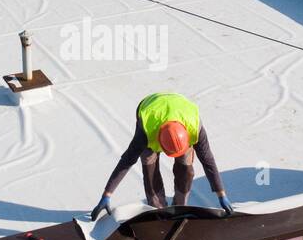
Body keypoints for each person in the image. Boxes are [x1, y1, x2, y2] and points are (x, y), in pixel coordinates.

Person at [91, 92, 232, 220]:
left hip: (180, 110)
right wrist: (107, 195)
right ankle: (158, 209)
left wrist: (221, 194)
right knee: (149, 167)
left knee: (186, 169)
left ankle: (180, 208)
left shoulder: (194, 127)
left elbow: (208, 160)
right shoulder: (145, 130)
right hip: (150, 108)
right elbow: (127, 160)